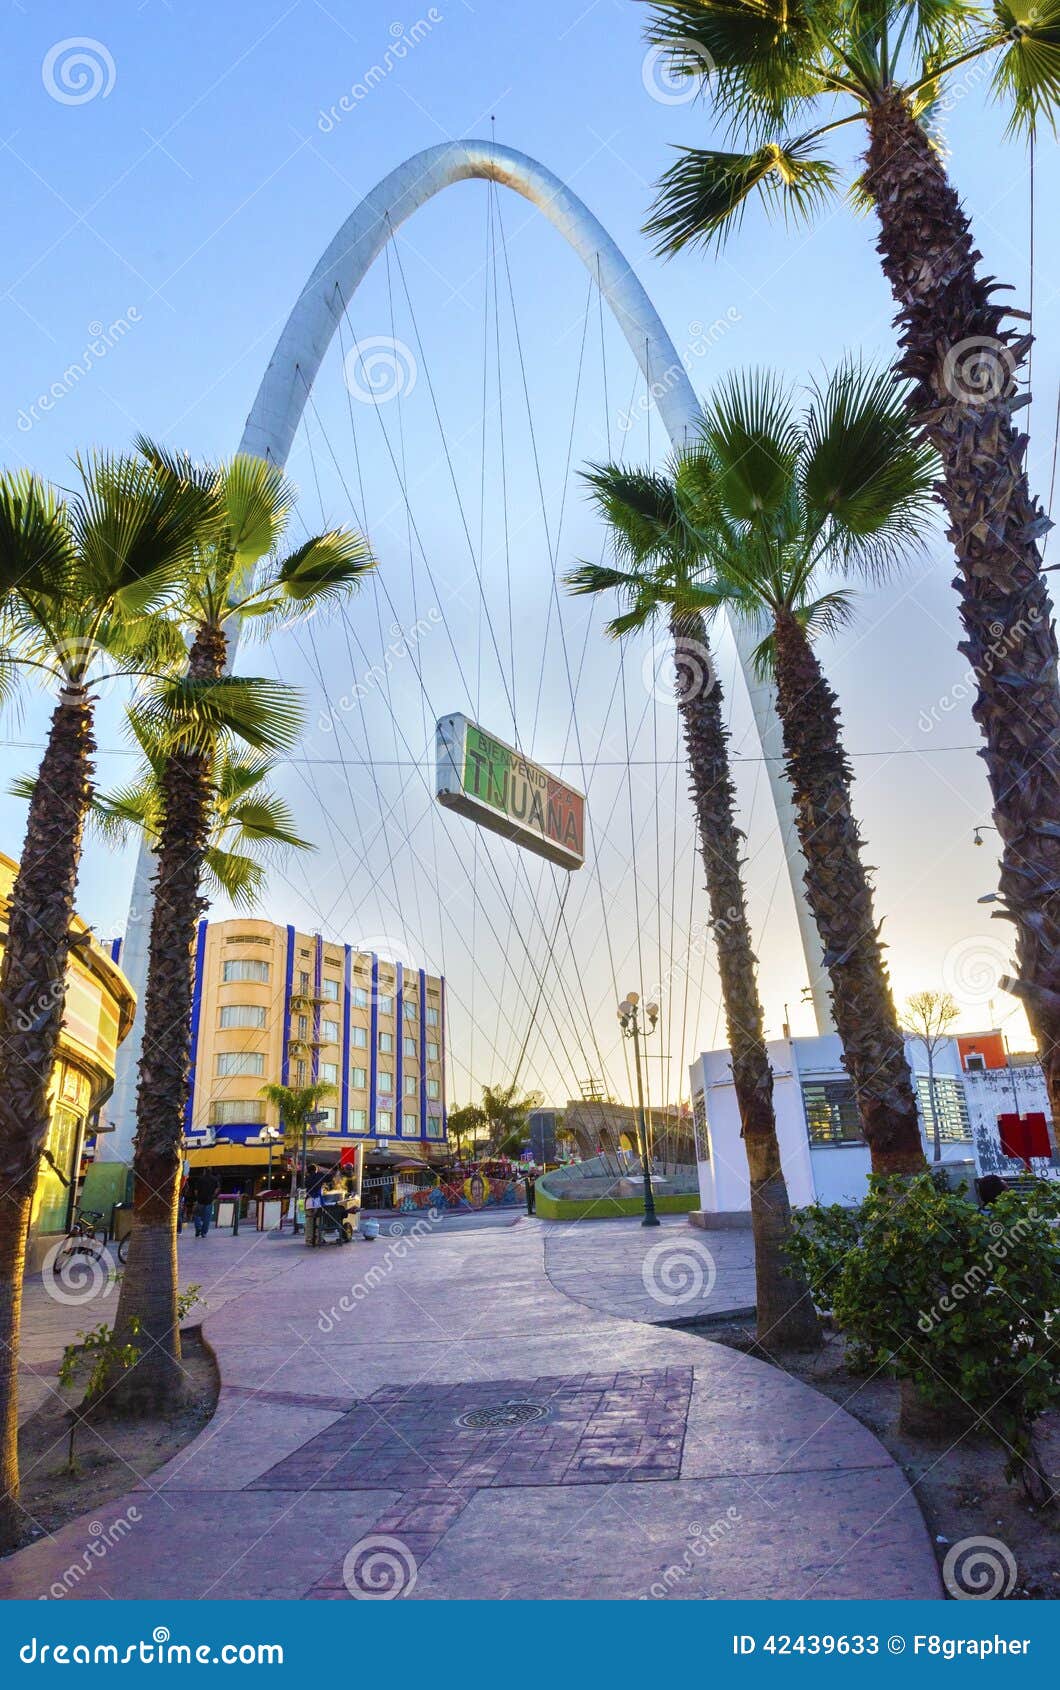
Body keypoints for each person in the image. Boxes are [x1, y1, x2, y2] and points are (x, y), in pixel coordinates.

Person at [192, 1169, 220, 1238]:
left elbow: (196, 1190)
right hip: (209, 1201)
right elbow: (217, 1188)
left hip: (200, 1200)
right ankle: (204, 1233)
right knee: (207, 1217)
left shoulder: (200, 1179)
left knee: (196, 1215)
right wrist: (213, 1195)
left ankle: (198, 1229)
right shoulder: (214, 1179)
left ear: (204, 1171)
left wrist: (197, 1197)